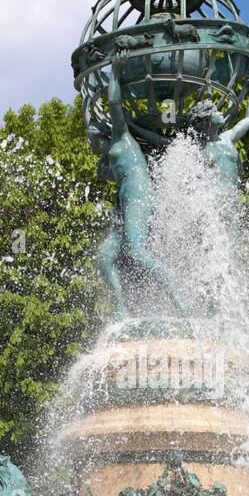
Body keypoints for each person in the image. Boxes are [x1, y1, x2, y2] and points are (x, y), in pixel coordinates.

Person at [90, 56, 188, 319]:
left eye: (93, 141)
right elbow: (112, 176)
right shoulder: (115, 157)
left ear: (102, 135)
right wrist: (104, 172)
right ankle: (122, 309)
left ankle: (178, 299)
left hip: (139, 197)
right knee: (105, 261)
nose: (93, 147)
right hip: (124, 203)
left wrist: (115, 69)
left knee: (136, 250)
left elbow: (113, 102)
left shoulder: (122, 138)